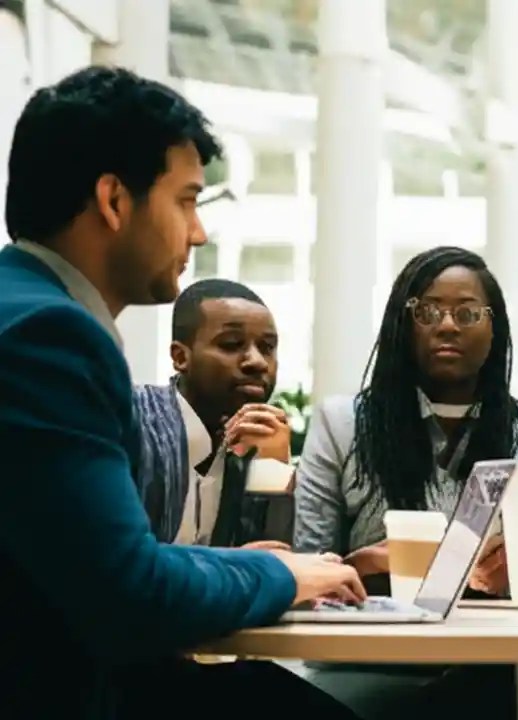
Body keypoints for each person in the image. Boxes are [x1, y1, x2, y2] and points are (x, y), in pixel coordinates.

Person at [0, 66, 364, 719]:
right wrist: (285, 576)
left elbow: (77, 553)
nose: (197, 233)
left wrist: (217, 566)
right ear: (114, 201)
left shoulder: (18, 310)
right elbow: (128, 596)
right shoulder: (51, 338)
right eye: (187, 200)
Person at [293, 245, 518, 719]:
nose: (447, 324)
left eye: (467, 312)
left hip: (490, 662)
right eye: (429, 311)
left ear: (494, 327)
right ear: (403, 323)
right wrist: (361, 564)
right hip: (366, 661)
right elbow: (310, 570)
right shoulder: (342, 424)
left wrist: (517, 571)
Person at [134, 278, 296, 548]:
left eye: (267, 348)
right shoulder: (135, 418)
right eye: (231, 344)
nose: (256, 362)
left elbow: (272, 562)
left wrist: (274, 467)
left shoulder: (253, 442)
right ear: (180, 357)